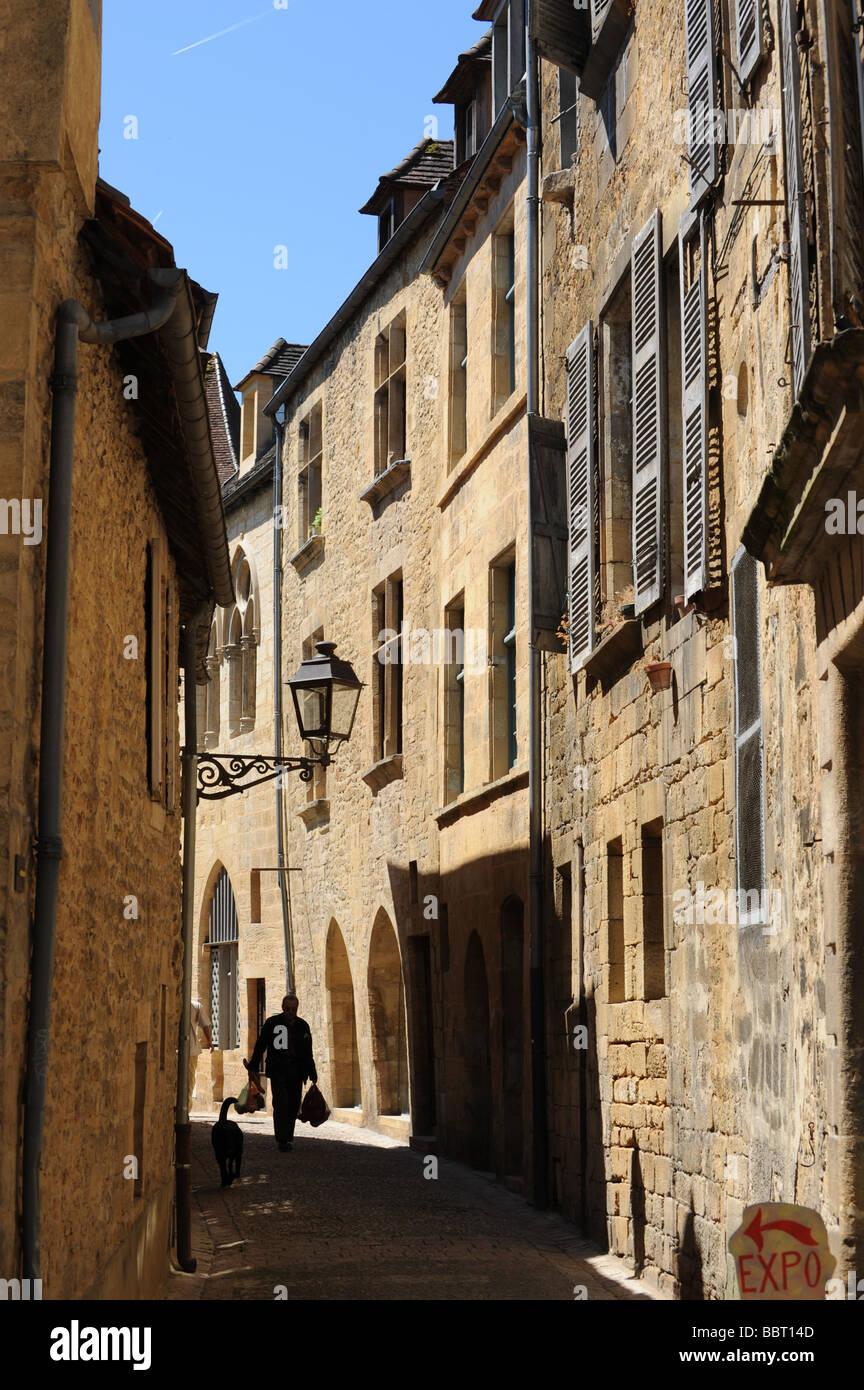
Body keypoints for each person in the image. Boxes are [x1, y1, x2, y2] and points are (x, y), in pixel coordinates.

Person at [249, 992, 317, 1151]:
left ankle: (289, 1136)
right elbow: (261, 1044)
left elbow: (308, 1051)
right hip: (279, 1070)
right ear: (283, 1008)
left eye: (293, 1009)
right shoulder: (272, 1023)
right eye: (288, 1009)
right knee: (280, 1103)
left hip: (296, 1070)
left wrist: (312, 1071)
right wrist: (253, 1064)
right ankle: (282, 1139)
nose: (290, 1012)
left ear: (297, 1009)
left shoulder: (302, 1026)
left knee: (293, 1104)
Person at [188, 997, 213, 1112]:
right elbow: (206, 1025)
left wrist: (210, 1042)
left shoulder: (195, 1006)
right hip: (191, 1049)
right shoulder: (195, 1006)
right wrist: (210, 1042)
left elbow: (205, 1025)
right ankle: (186, 1111)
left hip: (188, 1049)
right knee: (189, 1082)